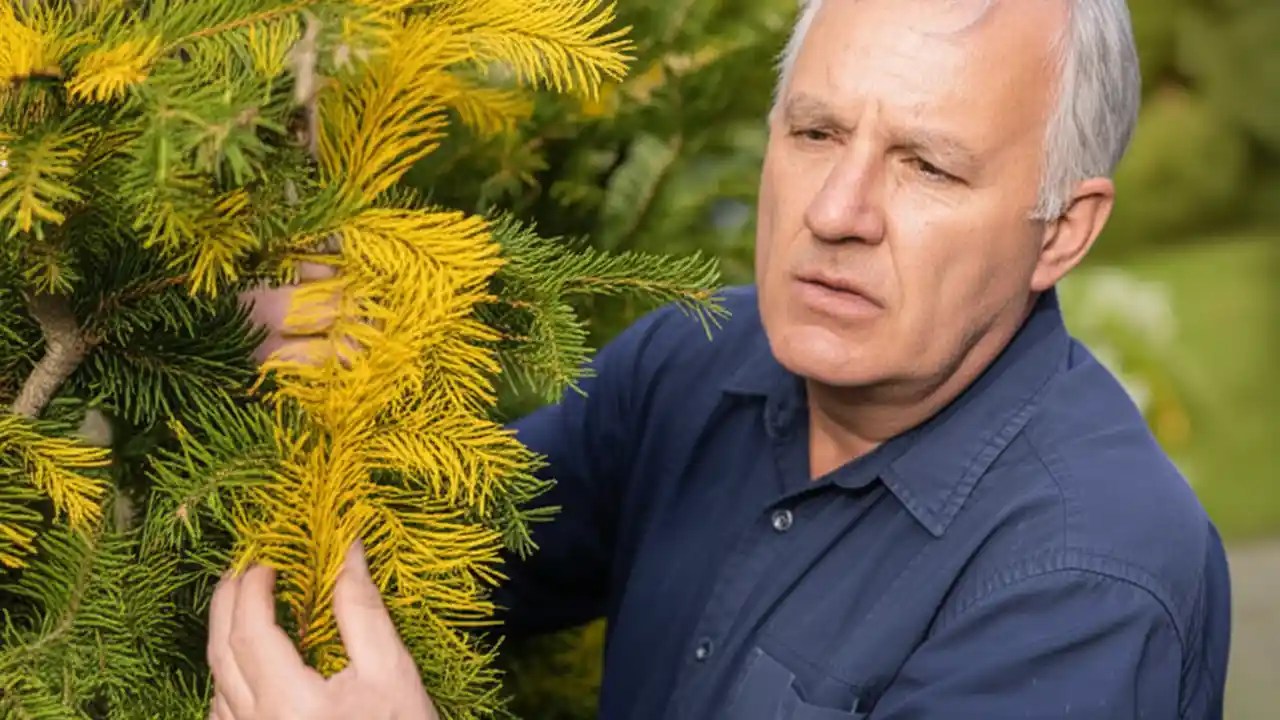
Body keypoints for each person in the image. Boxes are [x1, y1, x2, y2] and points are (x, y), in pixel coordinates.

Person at [208, 0, 1234, 718]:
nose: (834, 213)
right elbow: (429, 552)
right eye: (815, 132)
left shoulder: (1084, 582)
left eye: (925, 164)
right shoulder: (691, 367)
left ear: (1059, 228)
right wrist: (318, 372)